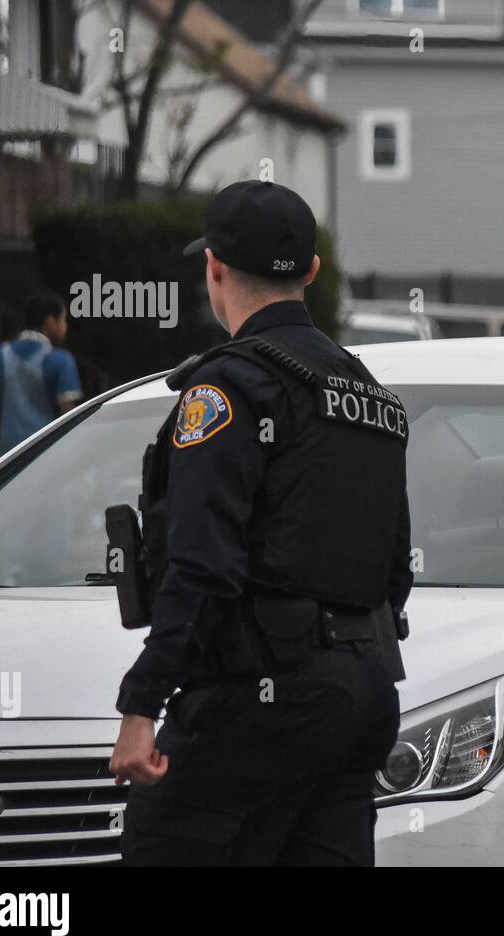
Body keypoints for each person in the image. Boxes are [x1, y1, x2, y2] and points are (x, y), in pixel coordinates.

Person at [109, 181, 413, 866]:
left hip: (261, 698)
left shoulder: (225, 390)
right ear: (311, 272)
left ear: (213, 267)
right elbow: (394, 569)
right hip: (361, 694)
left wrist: (141, 706)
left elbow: (203, 567)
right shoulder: (370, 395)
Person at [0, 289, 82, 469]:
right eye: (63, 320)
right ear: (49, 321)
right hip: (46, 459)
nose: (65, 327)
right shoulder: (61, 361)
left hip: (4, 461)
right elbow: (69, 414)